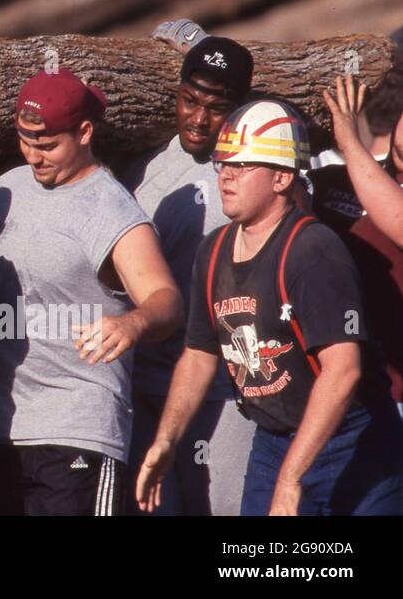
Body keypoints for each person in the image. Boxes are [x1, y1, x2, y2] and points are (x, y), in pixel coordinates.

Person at [138, 99, 403, 515]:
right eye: (223, 163)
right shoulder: (213, 250)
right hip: (274, 439)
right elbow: (199, 352)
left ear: (282, 178)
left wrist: (291, 479)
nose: (226, 175)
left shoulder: (313, 252)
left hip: (353, 440)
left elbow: (344, 369)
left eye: (242, 165)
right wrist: (167, 439)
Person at [0, 67, 182, 516]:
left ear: (84, 133)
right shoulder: (4, 189)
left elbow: (167, 300)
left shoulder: (111, 209)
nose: (33, 157)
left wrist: (133, 321)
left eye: (46, 146)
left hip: (76, 431)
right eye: (25, 143)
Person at [121, 31, 257, 515]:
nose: (198, 119)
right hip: (142, 388)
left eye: (217, 107)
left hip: (224, 390)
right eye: (188, 100)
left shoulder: (255, 172)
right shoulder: (146, 167)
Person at [316, 73, 403, 420]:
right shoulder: (339, 177)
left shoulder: (360, 168)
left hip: (394, 399)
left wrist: (349, 142)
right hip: (328, 392)